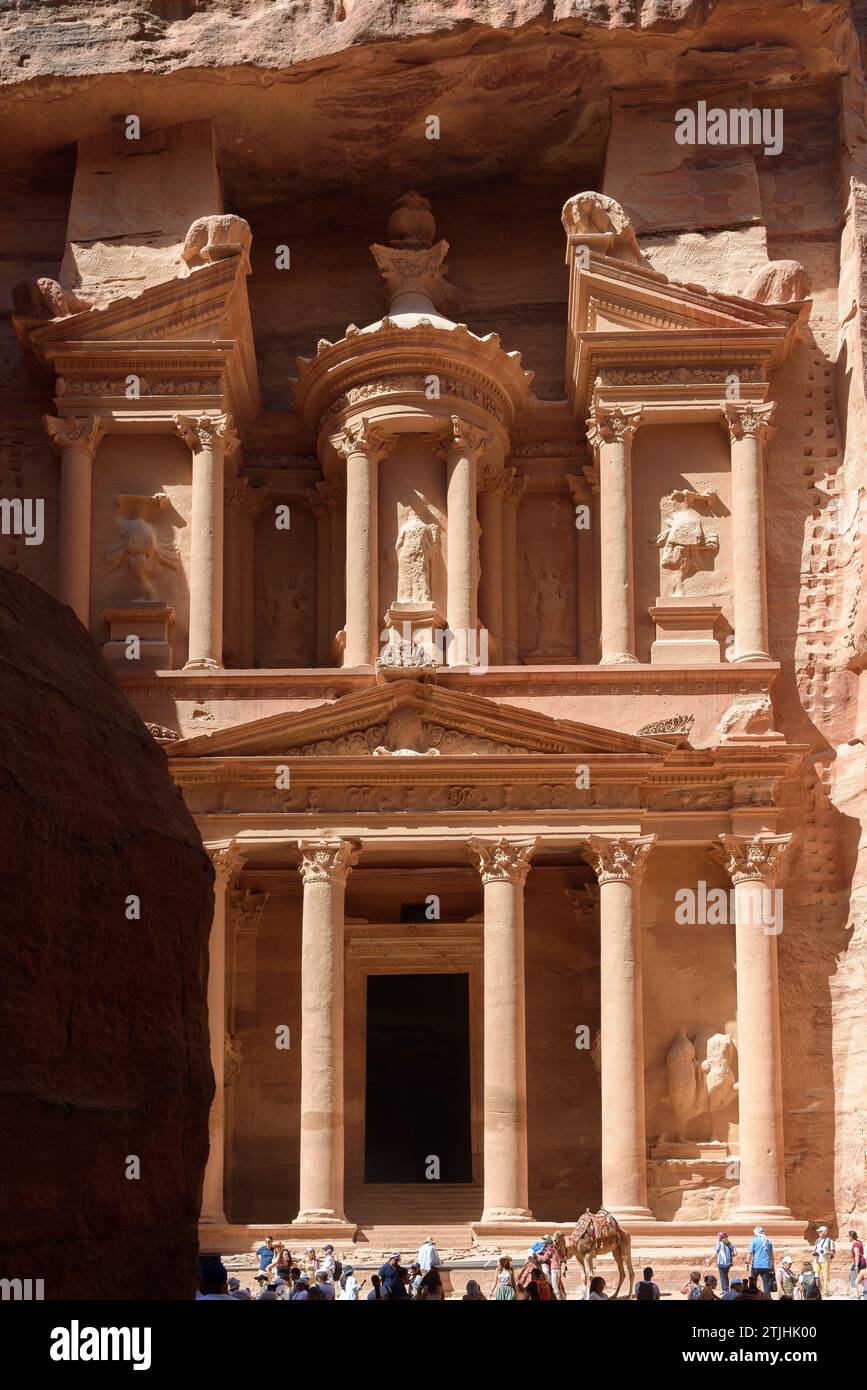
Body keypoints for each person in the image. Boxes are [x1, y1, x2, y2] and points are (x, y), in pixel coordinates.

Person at [746, 1226, 774, 1297]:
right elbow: (772, 1256)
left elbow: (750, 1252)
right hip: (766, 1266)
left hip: (756, 1265)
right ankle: (767, 1297)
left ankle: (753, 1296)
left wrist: (747, 1261)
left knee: (753, 1282)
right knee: (766, 1283)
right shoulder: (768, 1241)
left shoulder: (754, 1240)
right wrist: (772, 1266)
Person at [711, 1231, 736, 1295]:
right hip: (729, 1264)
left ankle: (725, 1290)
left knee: (723, 1277)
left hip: (721, 1263)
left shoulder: (719, 1244)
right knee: (725, 1276)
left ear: (720, 1237)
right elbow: (735, 1254)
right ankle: (726, 1289)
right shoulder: (731, 1244)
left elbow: (714, 1255)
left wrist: (709, 1260)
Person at [812, 1226, 834, 1296]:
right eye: (818, 1231)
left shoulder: (830, 1241)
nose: (818, 1232)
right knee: (815, 1274)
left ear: (825, 1232)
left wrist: (826, 1253)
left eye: (820, 1231)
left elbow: (833, 1252)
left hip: (825, 1260)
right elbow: (815, 1249)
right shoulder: (817, 1240)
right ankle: (816, 1290)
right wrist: (814, 1252)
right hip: (817, 1259)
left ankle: (826, 1291)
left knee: (825, 1276)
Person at [848, 1230, 865, 1297]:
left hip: (859, 1262)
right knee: (862, 1278)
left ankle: (856, 1295)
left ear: (851, 1237)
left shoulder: (856, 1244)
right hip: (862, 1262)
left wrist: (856, 1265)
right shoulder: (859, 1242)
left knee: (852, 1278)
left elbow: (857, 1255)